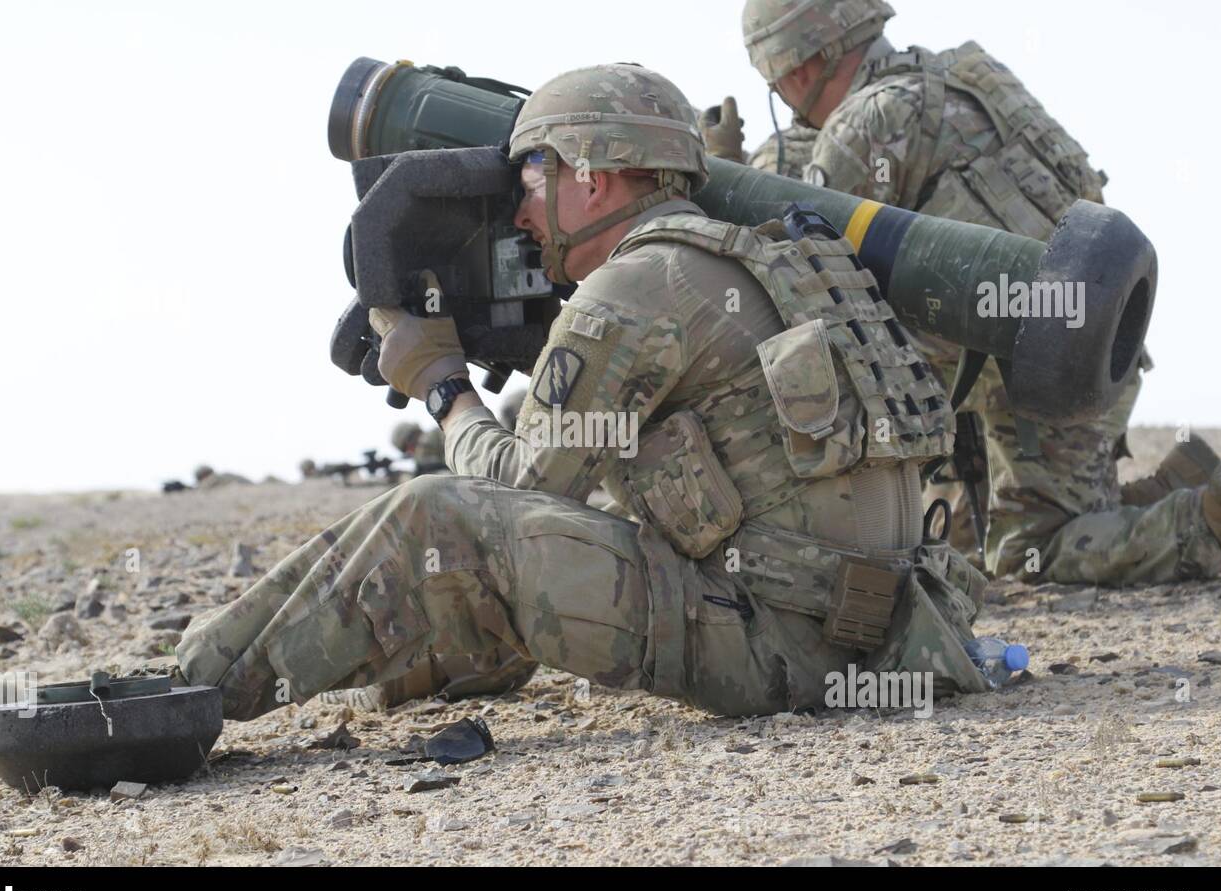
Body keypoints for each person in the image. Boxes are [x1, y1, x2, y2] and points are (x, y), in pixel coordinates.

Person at [167, 62, 997, 724]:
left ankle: (190, 690)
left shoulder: (636, 287)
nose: (523, 210)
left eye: (533, 172)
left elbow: (510, 495)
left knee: (436, 513)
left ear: (592, 179)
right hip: (896, 639)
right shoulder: (754, 261)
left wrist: (441, 384)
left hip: (785, 653)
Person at [726, 0, 1221, 584]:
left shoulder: (866, 123)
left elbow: (795, 245)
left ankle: (1209, 523)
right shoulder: (966, 77)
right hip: (1105, 341)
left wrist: (726, 167)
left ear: (796, 69)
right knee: (965, 529)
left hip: (1041, 377)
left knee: (1028, 552)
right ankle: (1177, 486)